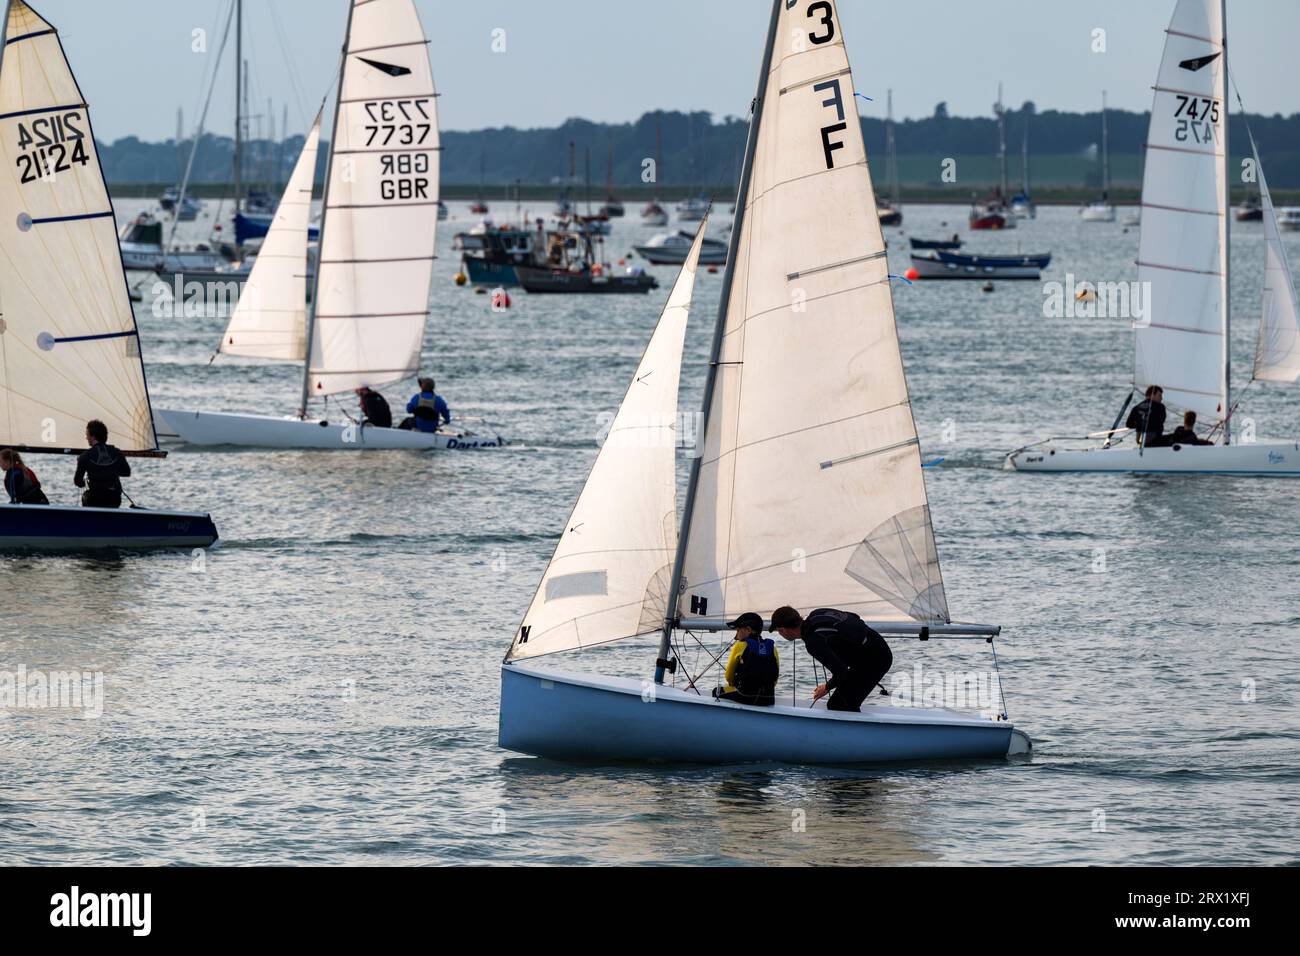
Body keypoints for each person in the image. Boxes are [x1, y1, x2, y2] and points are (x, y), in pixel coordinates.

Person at [771, 605, 892, 713]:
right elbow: (853, 617)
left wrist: (827, 687)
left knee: (838, 704)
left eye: (778, 631)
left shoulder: (813, 642)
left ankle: (856, 736)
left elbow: (842, 672)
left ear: (782, 630)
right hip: (876, 644)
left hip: (875, 659)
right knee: (843, 700)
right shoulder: (816, 614)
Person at [712, 612, 780, 707]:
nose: (736, 636)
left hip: (745, 697)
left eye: (738, 630)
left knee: (716, 691)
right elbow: (775, 678)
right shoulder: (772, 647)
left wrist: (733, 685)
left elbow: (729, 676)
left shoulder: (739, 646)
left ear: (748, 629)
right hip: (768, 699)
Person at [74, 420, 130, 508]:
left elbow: (77, 481)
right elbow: (127, 472)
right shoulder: (117, 452)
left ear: (93, 437)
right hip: (114, 499)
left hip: (95, 500)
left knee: (86, 495)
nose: (86, 437)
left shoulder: (84, 456)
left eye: (87, 435)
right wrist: (110, 471)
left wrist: (83, 482)